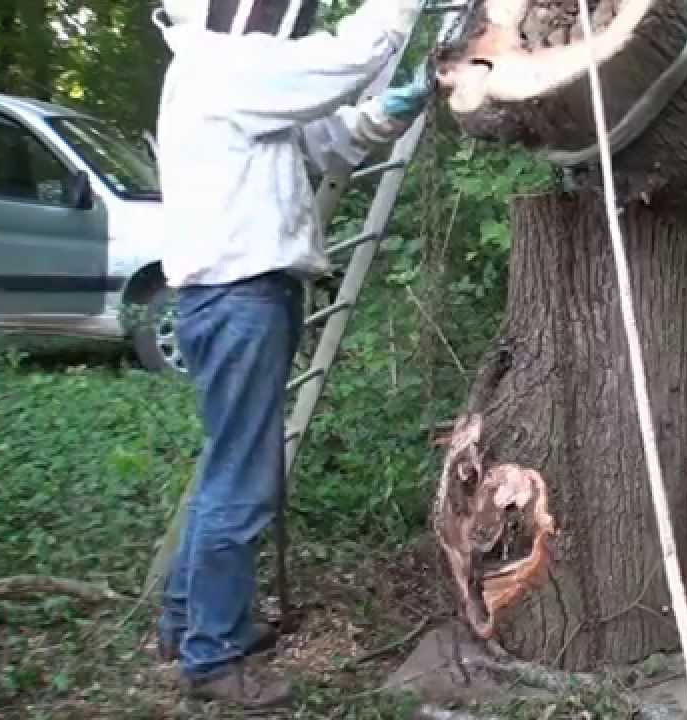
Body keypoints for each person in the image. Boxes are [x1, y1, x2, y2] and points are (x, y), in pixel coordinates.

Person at [150, 0, 431, 707]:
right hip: (239, 296)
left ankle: (186, 621)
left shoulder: (237, 77)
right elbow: (347, 56)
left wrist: (400, 103)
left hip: (240, 296)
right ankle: (213, 657)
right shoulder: (221, 66)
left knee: (227, 467)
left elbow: (334, 144)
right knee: (240, 483)